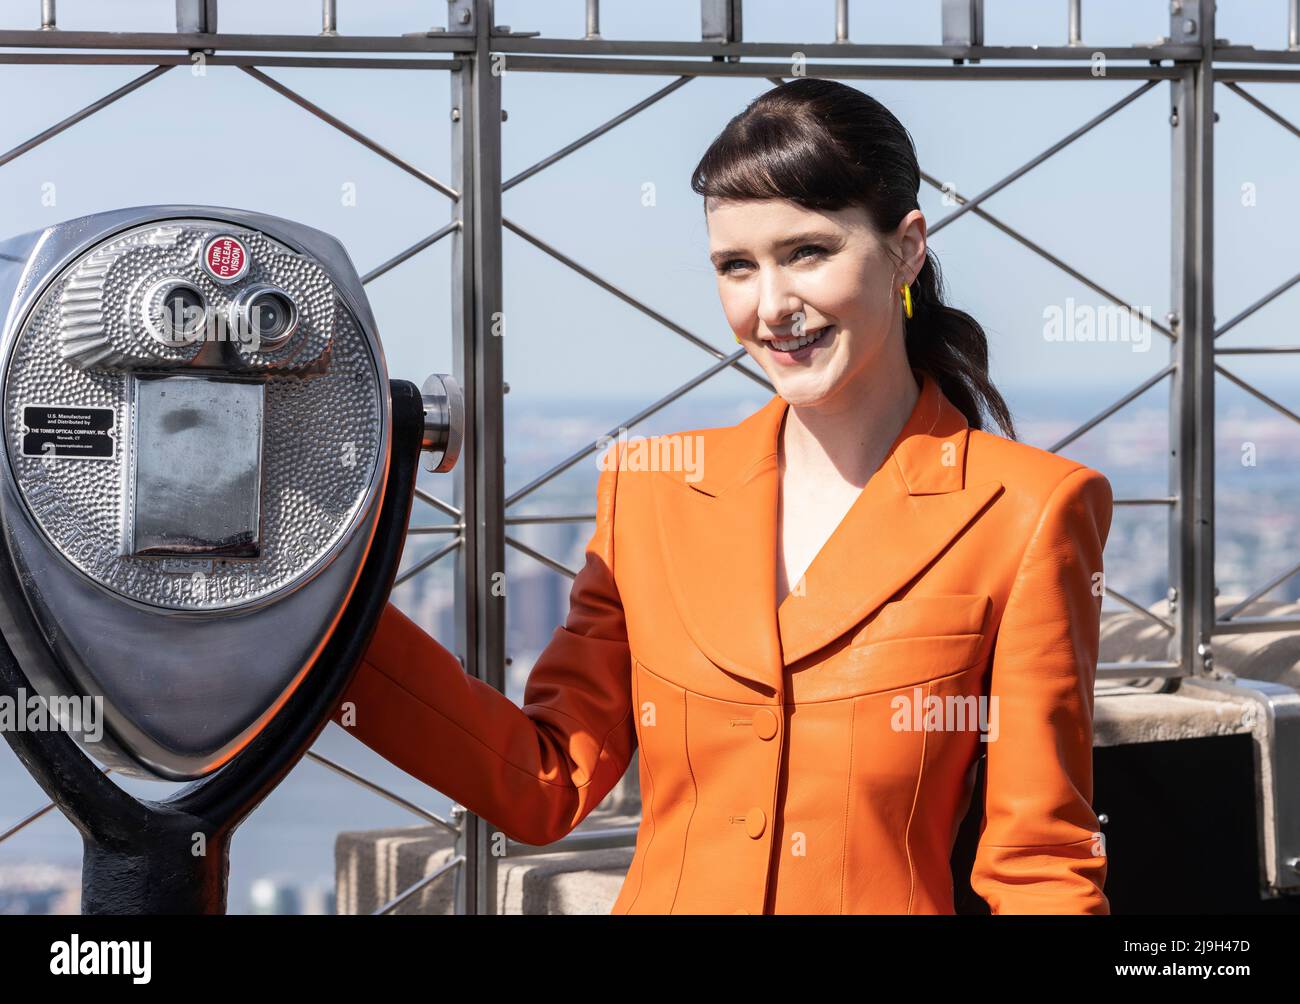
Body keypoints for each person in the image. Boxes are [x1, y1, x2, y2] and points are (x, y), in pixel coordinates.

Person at [331, 77, 1112, 915]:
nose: (771, 306)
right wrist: (321, 623)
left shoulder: (1029, 509)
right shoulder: (650, 488)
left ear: (907, 248)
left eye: (807, 252)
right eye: (737, 266)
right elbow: (543, 780)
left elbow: (1039, 864)